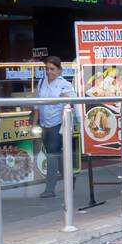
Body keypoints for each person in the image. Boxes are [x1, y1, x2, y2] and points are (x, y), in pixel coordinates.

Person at [37, 57, 75, 198]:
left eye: (52, 69)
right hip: (44, 123)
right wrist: (35, 122)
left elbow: (72, 104)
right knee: (53, 153)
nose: (49, 72)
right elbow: (37, 103)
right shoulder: (41, 82)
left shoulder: (64, 85)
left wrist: (66, 98)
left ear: (59, 70)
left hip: (58, 123)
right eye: (46, 69)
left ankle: (49, 189)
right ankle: (70, 177)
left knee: (52, 154)